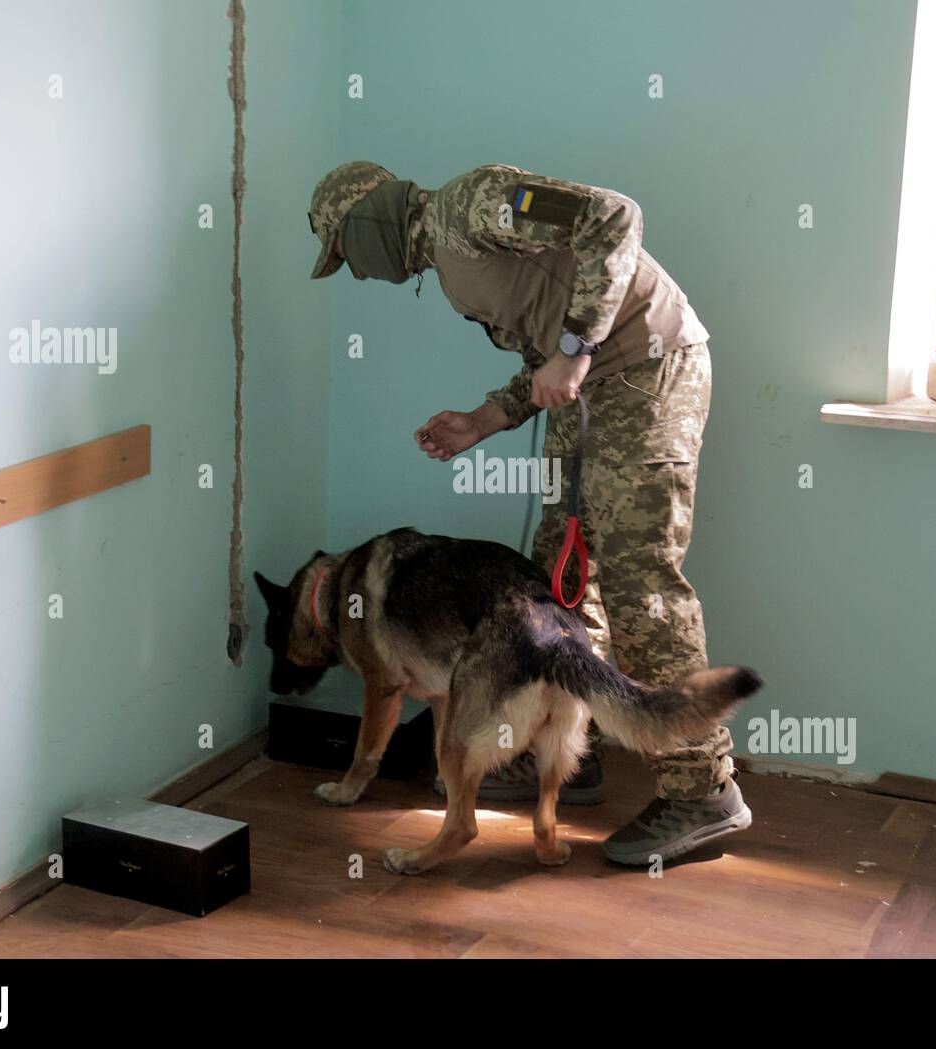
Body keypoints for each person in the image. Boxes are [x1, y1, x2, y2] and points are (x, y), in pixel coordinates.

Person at [307, 160, 751, 865]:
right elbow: (547, 344)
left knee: (642, 587)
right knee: (562, 581)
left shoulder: (470, 203)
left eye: (343, 251)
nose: (354, 272)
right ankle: (571, 751)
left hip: (647, 366)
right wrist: (484, 419)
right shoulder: (452, 268)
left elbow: (617, 217)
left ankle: (702, 788)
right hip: (594, 384)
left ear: (367, 219)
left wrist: (574, 351)